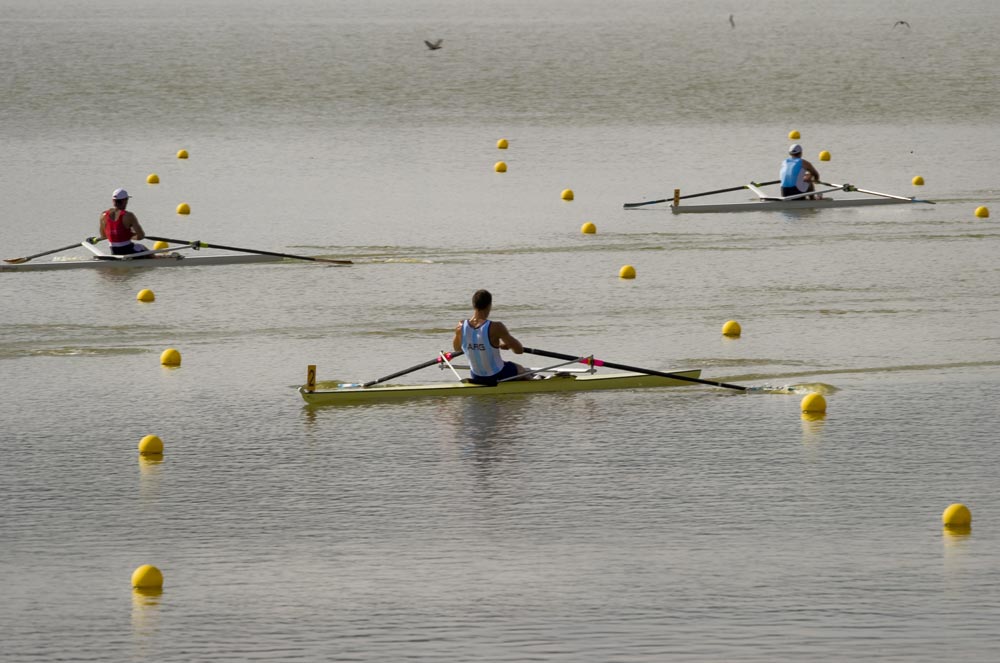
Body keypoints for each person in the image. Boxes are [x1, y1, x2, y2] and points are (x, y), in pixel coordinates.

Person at [452, 289, 529, 385]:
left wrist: (478, 345)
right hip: (497, 375)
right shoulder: (496, 327)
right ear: (489, 305)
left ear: (473, 305)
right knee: (521, 369)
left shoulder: (460, 326)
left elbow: (457, 348)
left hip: (476, 375)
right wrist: (508, 345)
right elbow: (519, 350)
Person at [99, 188, 150, 256]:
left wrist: (120, 234)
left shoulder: (103, 215)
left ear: (113, 201)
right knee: (142, 247)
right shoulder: (129, 215)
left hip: (114, 251)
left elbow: (104, 236)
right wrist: (130, 235)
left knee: (137, 247)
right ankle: (155, 260)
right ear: (125, 200)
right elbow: (141, 236)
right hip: (128, 250)